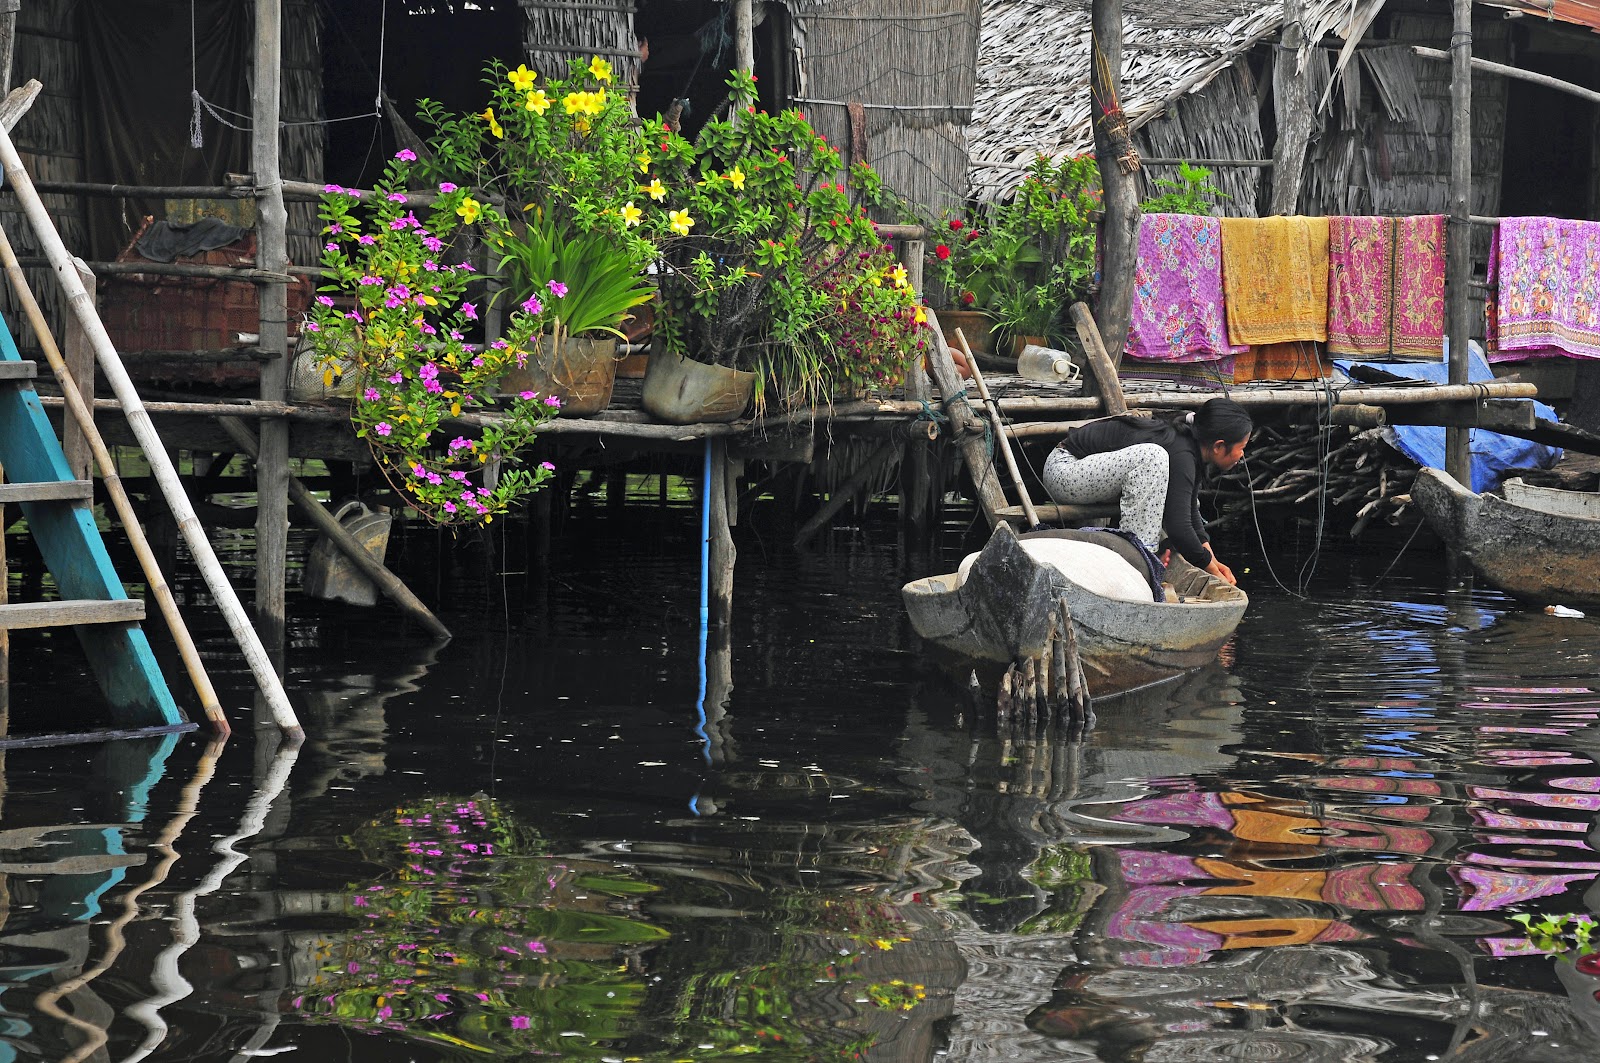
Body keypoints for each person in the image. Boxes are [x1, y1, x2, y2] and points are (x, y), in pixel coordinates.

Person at [1041, 397, 1253, 586]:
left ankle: (1142, 556)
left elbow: (1189, 512)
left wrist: (1213, 563)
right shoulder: (1180, 451)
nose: (1242, 454)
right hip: (1064, 471)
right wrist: (1210, 569)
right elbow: (1178, 527)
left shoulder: (1190, 451)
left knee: (1171, 482)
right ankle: (1141, 558)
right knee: (1153, 456)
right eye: (1241, 447)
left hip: (1085, 476)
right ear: (1218, 446)